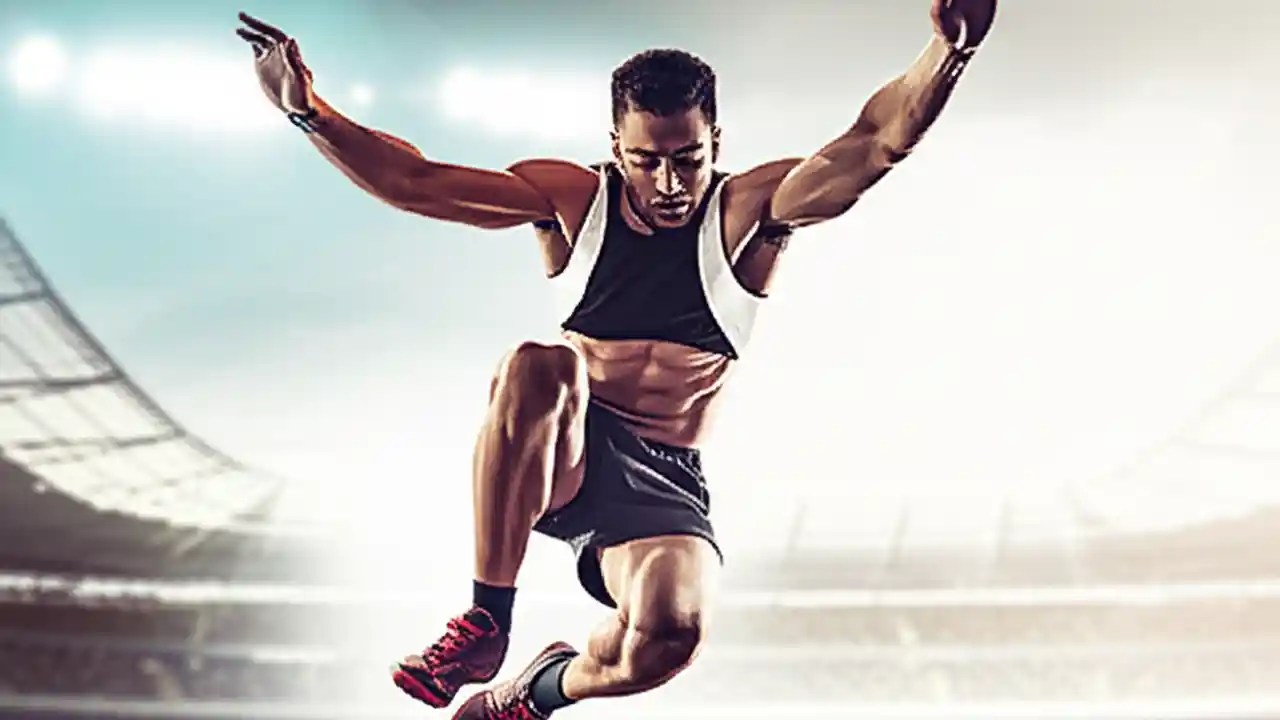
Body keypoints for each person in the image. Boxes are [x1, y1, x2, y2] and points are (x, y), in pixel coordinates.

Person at [236, 2, 997, 717]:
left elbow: (872, 144)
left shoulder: (750, 213)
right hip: (565, 451)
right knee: (543, 364)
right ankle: (486, 620)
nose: (668, 184)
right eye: (647, 161)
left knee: (670, 637)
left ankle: (533, 694)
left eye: (688, 161)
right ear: (616, 150)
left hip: (662, 476)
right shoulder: (572, 201)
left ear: (715, 145)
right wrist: (310, 111)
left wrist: (951, 51)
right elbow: (416, 182)